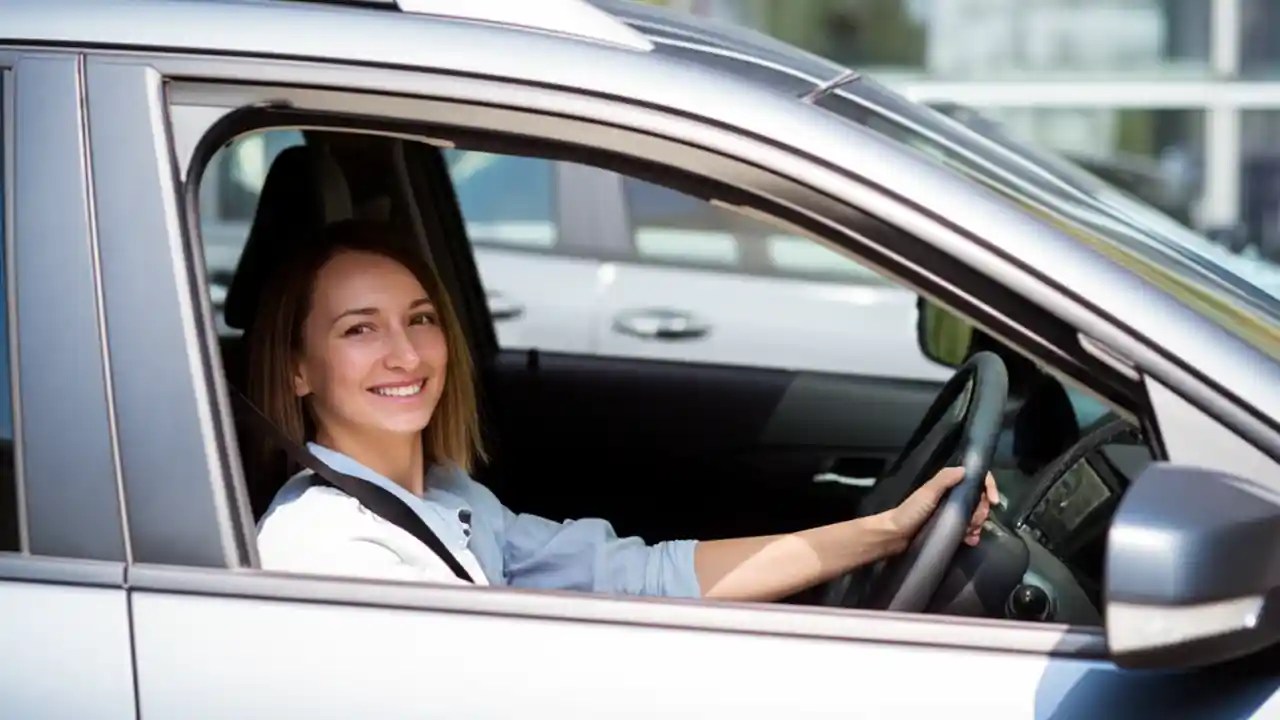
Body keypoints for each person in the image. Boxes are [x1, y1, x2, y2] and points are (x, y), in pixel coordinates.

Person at [251, 220, 997, 601]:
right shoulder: (326, 550)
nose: (407, 356)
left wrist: (882, 535)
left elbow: (643, 575)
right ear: (296, 370)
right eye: (359, 330)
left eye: (419, 319)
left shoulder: (450, 498)